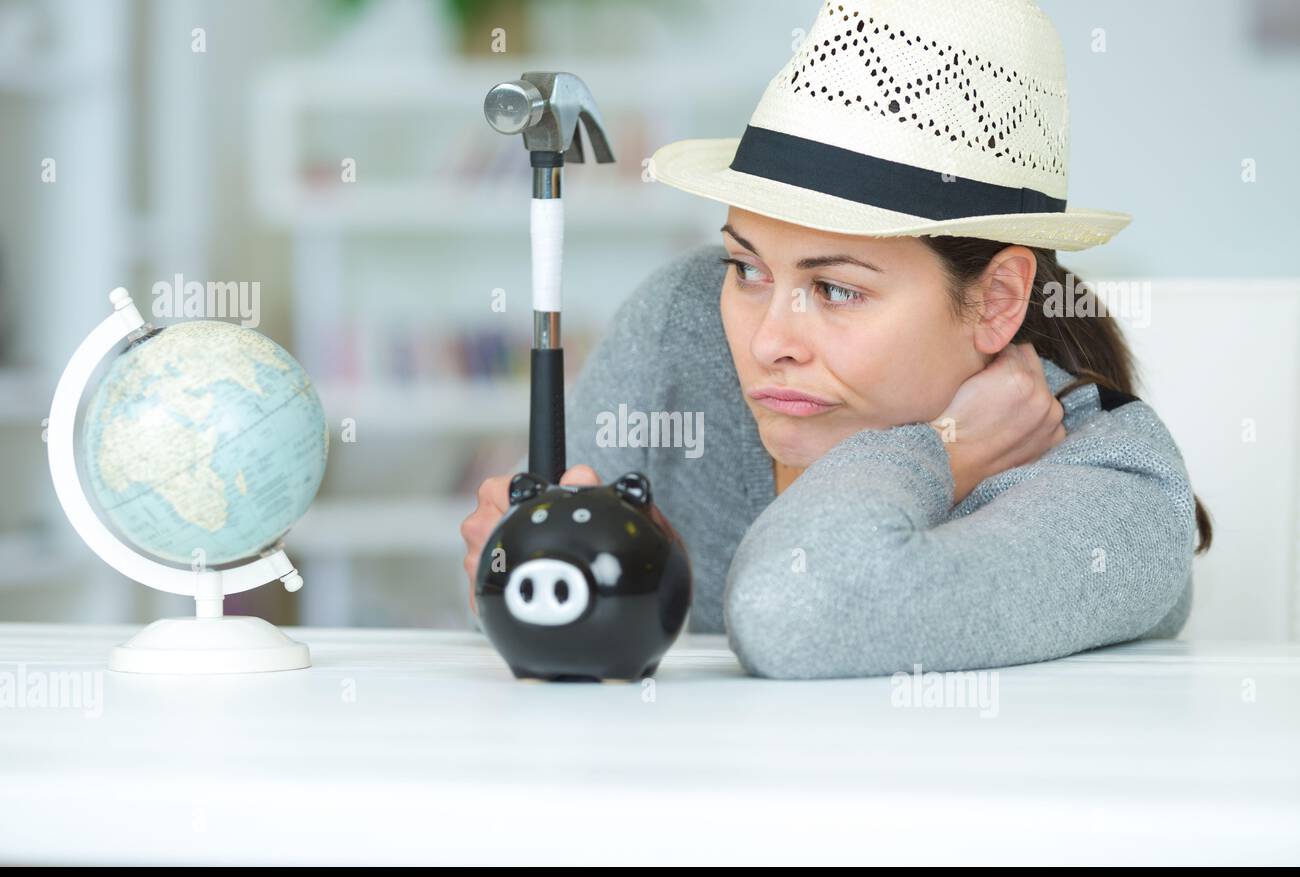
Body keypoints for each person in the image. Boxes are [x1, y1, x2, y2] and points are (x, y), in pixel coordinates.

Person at [460, 0, 1212, 679]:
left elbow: (796, 611)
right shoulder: (682, 325)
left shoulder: (1116, 489)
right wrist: (591, 575)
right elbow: (545, 621)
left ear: (999, 300)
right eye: (747, 269)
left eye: (837, 289)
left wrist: (941, 453)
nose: (768, 343)